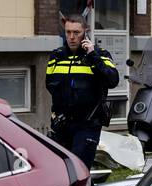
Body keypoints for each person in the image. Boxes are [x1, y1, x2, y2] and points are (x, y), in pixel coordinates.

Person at [46, 12, 119, 175]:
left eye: (76, 33)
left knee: (78, 172)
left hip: (87, 126)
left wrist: (93, 56)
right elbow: (50, 85)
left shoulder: (100, 54)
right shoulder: (56, 56)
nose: (71, 37)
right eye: (68, 32)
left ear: (85, 32)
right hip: (62, 126)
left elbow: (113, 80)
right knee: (63, 174)